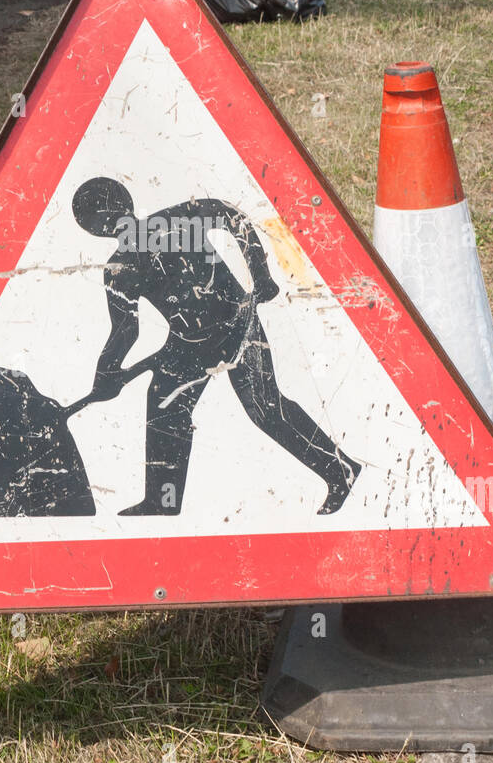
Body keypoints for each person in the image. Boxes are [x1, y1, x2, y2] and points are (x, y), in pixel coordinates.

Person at [72, 176, 361, 516]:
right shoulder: (129, 260)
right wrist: (106, 372)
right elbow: (124, 331)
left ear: (94, 227)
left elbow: (231, 217)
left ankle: (340, 470)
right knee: (167, 408)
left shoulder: (162, 233)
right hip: (191, 343)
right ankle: (162, 501)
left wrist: (260, 273)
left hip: (236, 324)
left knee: (266, 410)